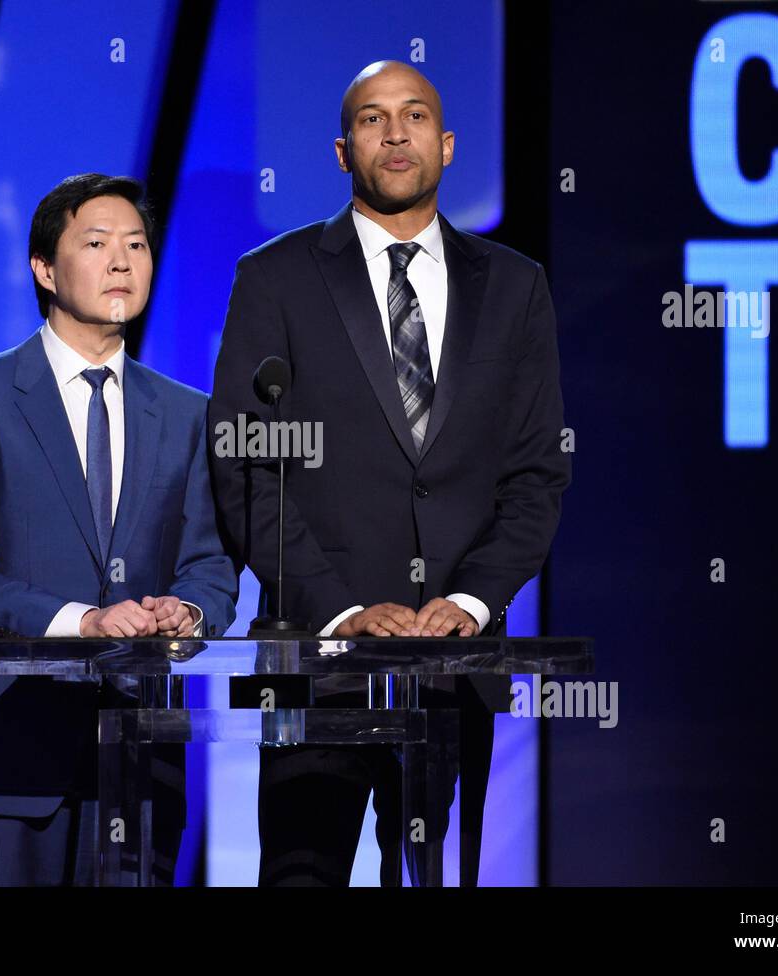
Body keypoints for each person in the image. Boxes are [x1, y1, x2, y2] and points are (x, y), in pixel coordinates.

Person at [209, 61, 571, 886]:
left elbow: (537, 472)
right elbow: (247, 464)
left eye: (414, 116)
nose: (396, 132)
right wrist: (340, 610)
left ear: (445, 144)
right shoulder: (276, 277)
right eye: (373, 119)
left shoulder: (516, 288)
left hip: (455, 666)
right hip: (317, 658)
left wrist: (471, 602)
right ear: (343, 152)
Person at [0, 173, 237, 885]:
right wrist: (82, 622)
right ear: (45, 269)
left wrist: (190, 609)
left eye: (138, 244)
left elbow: (210, 563)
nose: (122, 261)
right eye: (97, 243)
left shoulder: (189, 414)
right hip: (1, 760)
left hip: (137, 763)